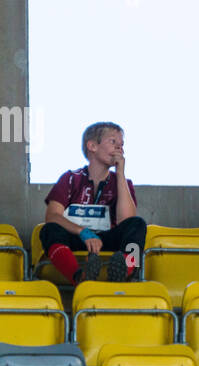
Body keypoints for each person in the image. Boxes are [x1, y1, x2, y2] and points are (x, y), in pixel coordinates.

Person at [40, 121, 146, 284]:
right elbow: (52, 216)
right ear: (92, 146)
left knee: (138, 225)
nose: (120, 148)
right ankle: (79, 277)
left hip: (107, 240)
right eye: (113, 142)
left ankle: (125, 270)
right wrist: (82, 232)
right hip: (77, 238)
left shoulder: (123, 182)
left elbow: (127, 220)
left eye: (122, 144)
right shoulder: (70, 178)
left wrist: (120, 174)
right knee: (49, 230)